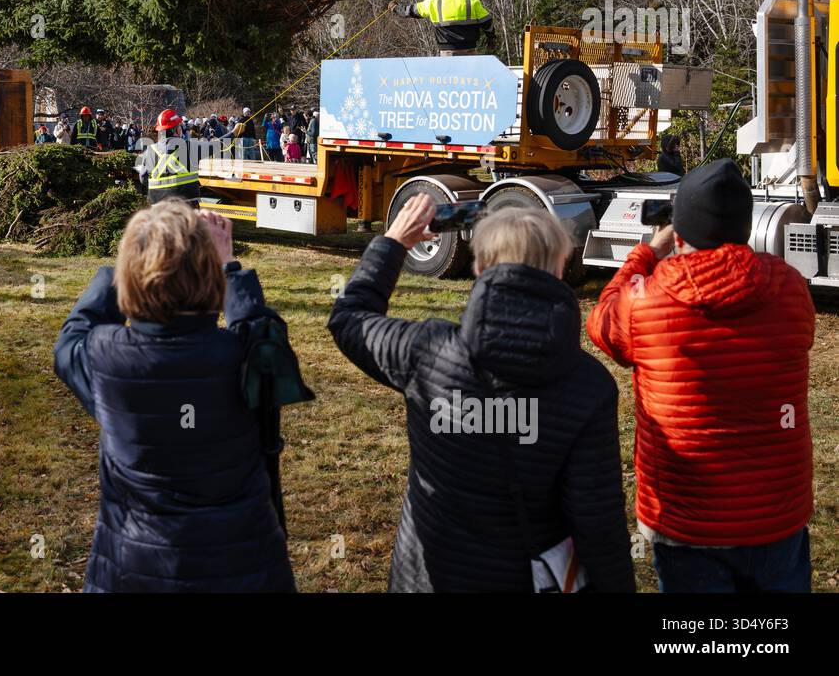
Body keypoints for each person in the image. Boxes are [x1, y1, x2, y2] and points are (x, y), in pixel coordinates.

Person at [327, 198, 635, 592]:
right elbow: (597, 518)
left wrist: (393, 243)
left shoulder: (427, 351)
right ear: (559, 269)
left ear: (480, 267)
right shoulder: (589, 385)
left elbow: (350, 318)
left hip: (426, 577)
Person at [588, 159, 814, 593]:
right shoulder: (790, 287)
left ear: (681, 229)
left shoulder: (646, 301)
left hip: (685, 515)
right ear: (745, 226)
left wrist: (647, 253)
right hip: (776, 513)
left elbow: (601, 322)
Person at [53, 202, 297, 592]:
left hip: (133, 568)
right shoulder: (246, 357)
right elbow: (261, 330)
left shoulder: (105, 356)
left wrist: (132, 259)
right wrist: (229, 267)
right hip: (244, 568)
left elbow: (71, 338)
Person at [403, 0, 494, 56]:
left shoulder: (434, 1)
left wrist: (395, 8)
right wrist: (491, 38)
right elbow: (487, 22)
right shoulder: (472, 0)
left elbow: (411, 11)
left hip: (447, 52)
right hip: (469, 50)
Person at [136, 109, 200, 206]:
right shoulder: (189, 146)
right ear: (177, 130)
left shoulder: (149, 151)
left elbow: (143, 179)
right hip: (186, 208)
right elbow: (219, 146)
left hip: (158, 208)